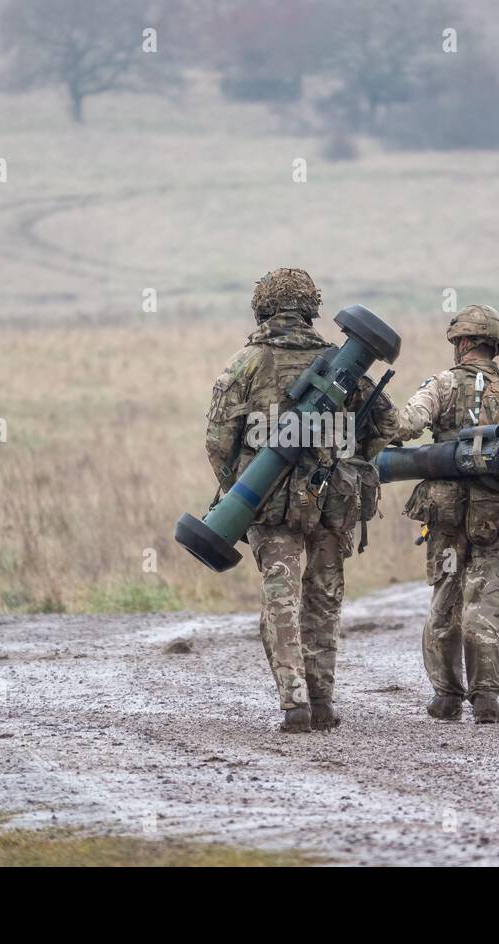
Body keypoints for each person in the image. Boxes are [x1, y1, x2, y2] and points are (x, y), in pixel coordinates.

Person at [205, 268, 397, 733]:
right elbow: (386, 426)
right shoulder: (342, 363)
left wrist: (240, 488)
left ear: (263, 308)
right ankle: (324, 700)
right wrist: (350, 461)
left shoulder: (245, 364)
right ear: (312, 308)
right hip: (334, 500)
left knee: (281, 599)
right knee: (324, 598)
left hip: (268, 504)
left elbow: (216, 439)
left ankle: (295, 703)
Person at [392, 305, 499, 724]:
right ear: (496, 345)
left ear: (463, 343)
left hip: (449, 520)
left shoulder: (443, 385)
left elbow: (405, 425)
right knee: (486, 606)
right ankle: (485, 698)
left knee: (445, 604)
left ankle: (446, 696)